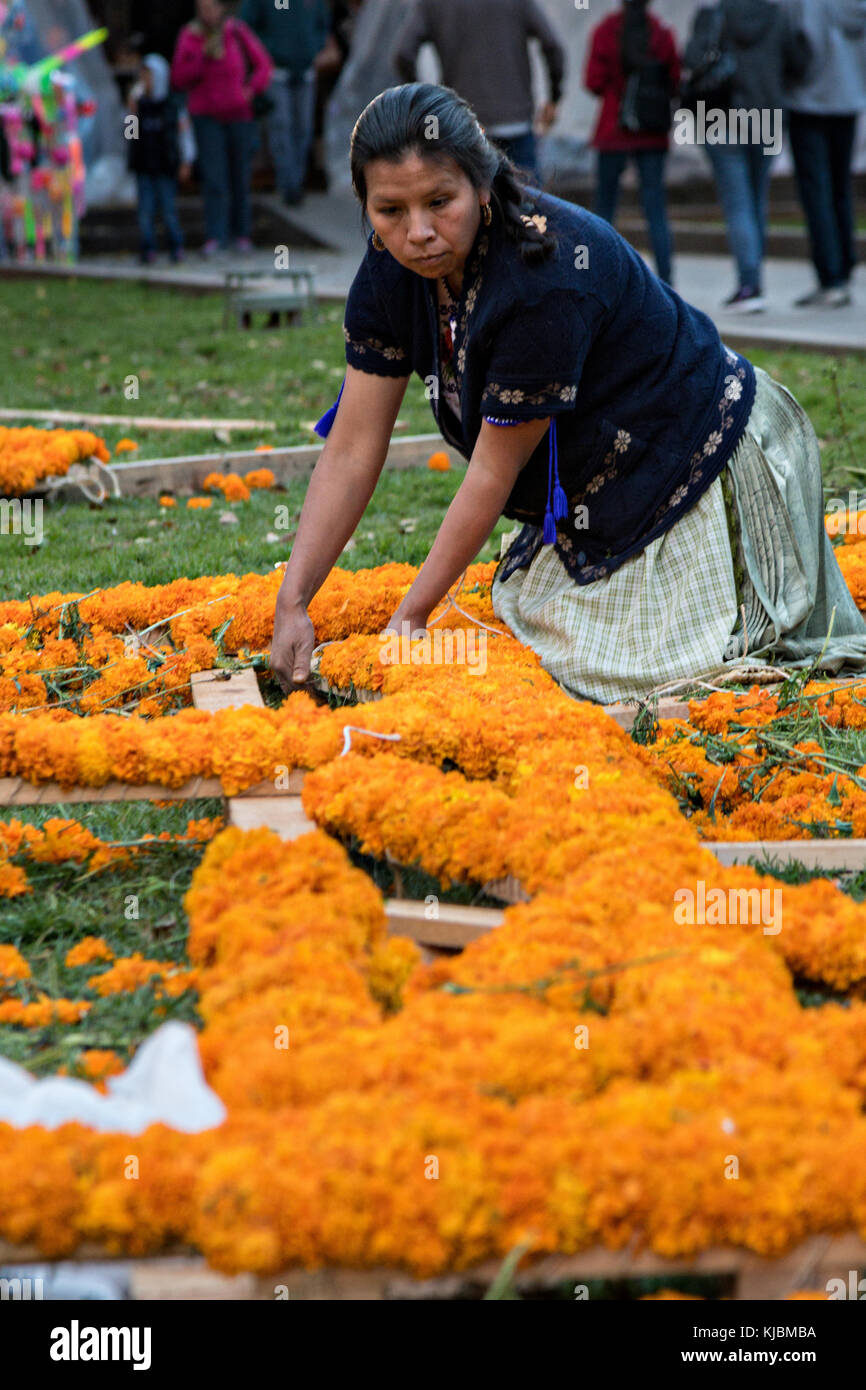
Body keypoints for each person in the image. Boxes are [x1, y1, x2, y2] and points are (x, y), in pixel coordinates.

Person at [269, 83, 866, 704]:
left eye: (439, 201)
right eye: (390, 211)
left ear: (481, 185)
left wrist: (411, 621)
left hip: (700, 452)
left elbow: (492, 474)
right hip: (604, 472)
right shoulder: (388, 270)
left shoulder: (545, 277)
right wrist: (293, 602)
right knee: (539, 634)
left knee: (603, 670)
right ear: (365, 206)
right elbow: (355, 444)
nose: (417, 232)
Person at [684, 0, 811, 313]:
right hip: (766, 116)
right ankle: (755, 282)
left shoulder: (714, 15)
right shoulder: (777, 16)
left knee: (738, 203)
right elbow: (798, 63)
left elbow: (691, 60)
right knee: (756, 200)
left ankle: (749, 285)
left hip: (720, 116)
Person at [390, 0, 564, 184]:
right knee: (527, 201)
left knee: (471, 199)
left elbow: (403, 54)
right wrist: (554, 96)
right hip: (515, 120)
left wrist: (425, 103)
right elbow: (552, 45)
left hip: (463, 126)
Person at [584, 0, 679, 287]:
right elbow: (674, 80)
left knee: (604, 209)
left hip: (614, 130)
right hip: (652, 133)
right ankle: (667, 280)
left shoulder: (605, 31)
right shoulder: (662, 34)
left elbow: (593, 81)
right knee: (655, 209)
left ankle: (598, 278)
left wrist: (617, 88)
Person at [170, 0, 272, 256]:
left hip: (239, 115)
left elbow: (264, 65)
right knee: (214, 178)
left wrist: (250, 91)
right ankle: (216, 235)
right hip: (206, 117)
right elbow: (179, 78)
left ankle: (242, 234)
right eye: (202, 8)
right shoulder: (190, 36)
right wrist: (202, 56)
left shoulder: (236, 31)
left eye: (211, 7)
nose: (207, 14)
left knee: (240, 175)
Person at [783, 0, 866, 307]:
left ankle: (831, 278)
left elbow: (803, 41)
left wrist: (793, 80)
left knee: (816, 191)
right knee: (840, 188)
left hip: (809, 102)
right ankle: (843, 268)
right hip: (850, 97)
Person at [239, 0, 332, 207]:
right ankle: (288, 184)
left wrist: (314, 47)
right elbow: (246, 26)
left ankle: (296, 182)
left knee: (304, 128)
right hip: (277, 72)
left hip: (305, 71)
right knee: (282, 126)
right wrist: (267, 51)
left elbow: (323, 24)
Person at [127, 54, 195, 265]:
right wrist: (131, 114)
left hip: (166, 166)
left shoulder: (172, 107)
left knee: (168, 210)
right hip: (144, 166)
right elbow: (130, 137)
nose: (146, 81)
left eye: (150, 77)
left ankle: (176, 246)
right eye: (143, 77)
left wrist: (186, 160)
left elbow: (184, 136)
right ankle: (148, 248)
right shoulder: (138, 106)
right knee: (145, 211)